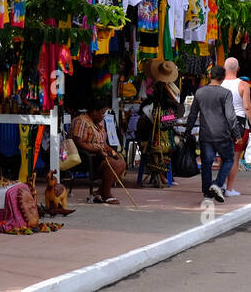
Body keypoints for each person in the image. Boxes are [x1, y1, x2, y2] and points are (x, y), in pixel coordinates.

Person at [186, 65, 238, 203]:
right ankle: (217, 183)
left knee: (206, 164)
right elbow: (231, 116)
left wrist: (187, 131)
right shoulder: (226, 93)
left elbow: (192, 114)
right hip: (223, 134)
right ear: (223, 78)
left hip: (206, 135)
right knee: (228, 159)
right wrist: (237, 133)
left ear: (210, 76)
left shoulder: (199, 93)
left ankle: (207, 194)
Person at [135, 59, 184, 188]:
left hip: (156, 131)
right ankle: (163, 173)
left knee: (174, 142)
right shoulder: (162, 92)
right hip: (154, 135)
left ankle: (164, 173)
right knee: (171, 143)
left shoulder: (163, 92)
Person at [69, 103, 127, 205]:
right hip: (86, 156)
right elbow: (78, 142)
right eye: (102, 113)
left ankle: (100, 191)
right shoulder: (81, 121)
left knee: (121, 163)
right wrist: (96, 150)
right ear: (94, 112)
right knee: (113, 164)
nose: (103, 116)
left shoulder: (98, 123)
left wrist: (113, 152)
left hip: (99, 155)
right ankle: (107, 194)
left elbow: (103, 144)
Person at [221, 57, 251, 197]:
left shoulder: (218, 84)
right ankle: (229, 189)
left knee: (223, 156)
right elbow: (247, 107)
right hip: (239, 123)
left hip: (221, 123)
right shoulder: (243, 85)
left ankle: (222, 183)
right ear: (237, 69)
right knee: (235, 157)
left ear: (224, 68)